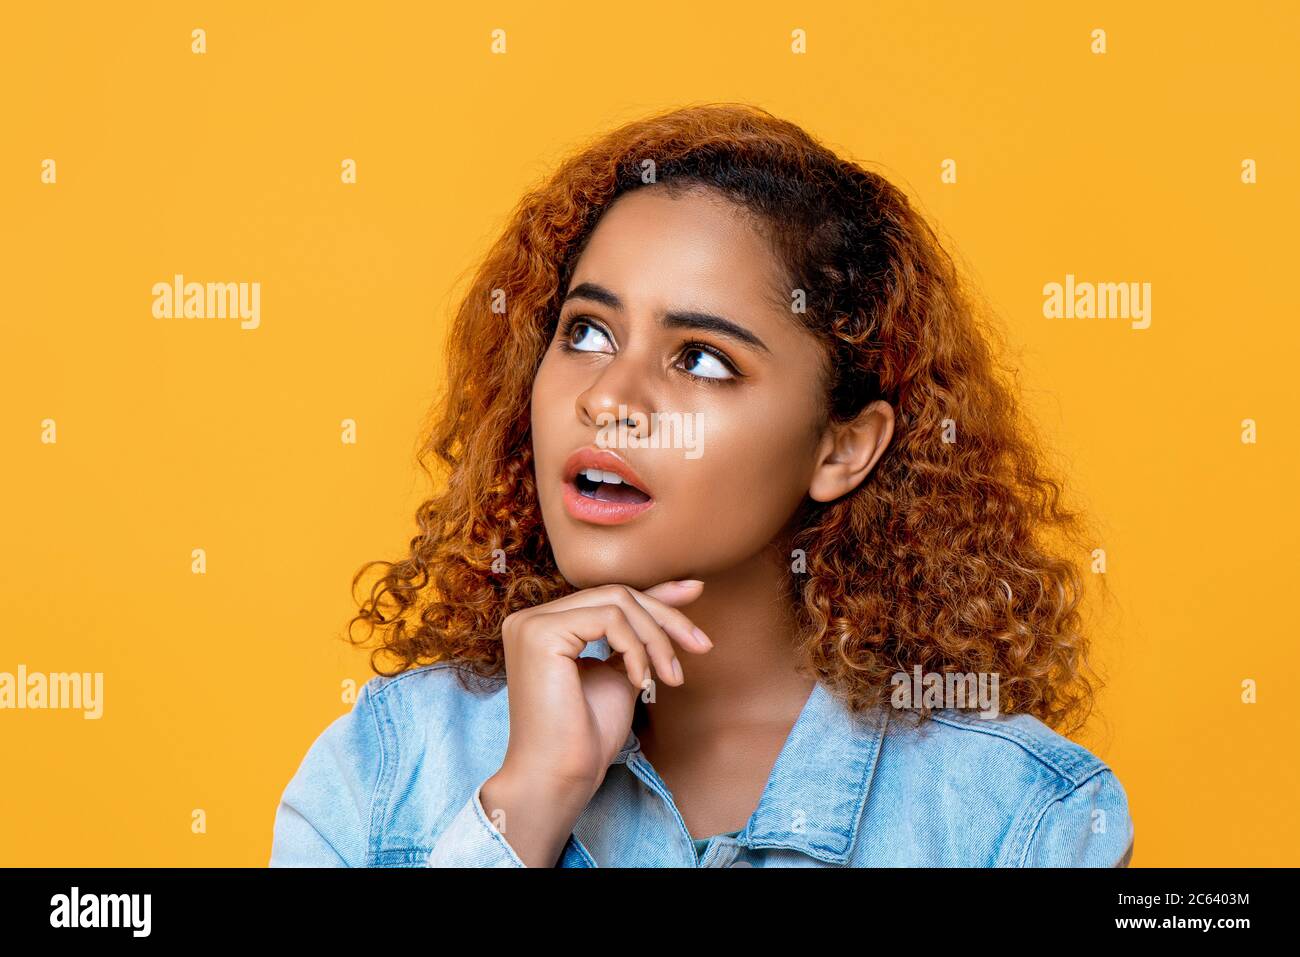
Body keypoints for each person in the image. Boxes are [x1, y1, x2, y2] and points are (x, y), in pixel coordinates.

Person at [269, 102, 1134, 868]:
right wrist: (524, 807)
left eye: (703, 359)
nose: (607, 397)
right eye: (588, 333)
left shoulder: (1022, 820)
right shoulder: (384, 768)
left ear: (843, 446)